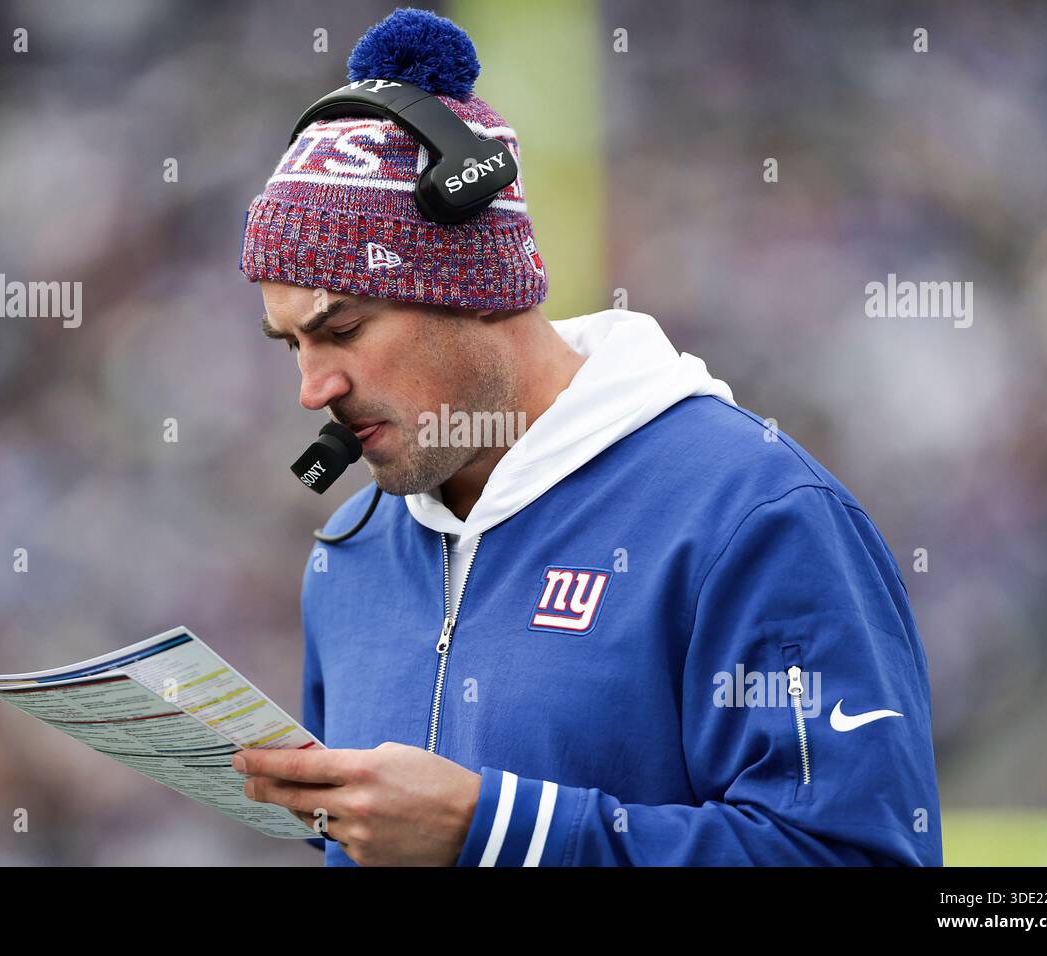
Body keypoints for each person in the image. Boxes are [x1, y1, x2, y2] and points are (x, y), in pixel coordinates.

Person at [231, 8, 943, 867]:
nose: (314, 389)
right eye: (293, 345)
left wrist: (496, 834)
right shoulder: (350, 554)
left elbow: (855, 856)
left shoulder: (753, 518)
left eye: (341, 329)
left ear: (479, 288)